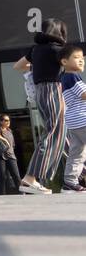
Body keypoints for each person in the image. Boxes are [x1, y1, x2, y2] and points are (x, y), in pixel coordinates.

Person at [17, 18, 69, 194]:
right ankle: (30, 178)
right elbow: (73, 65)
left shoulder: (35, 49)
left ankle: (34, 178)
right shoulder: (57, 49)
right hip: (53, 89)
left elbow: (19, 66)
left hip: (41, 92)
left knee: (57, 134)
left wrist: (37, 65)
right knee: (53, 133)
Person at [58, 43, 86, 192]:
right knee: (78, 152)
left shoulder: (65, 77)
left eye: (82, 58)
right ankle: (70, 181)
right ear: (64, 62)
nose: (81, 60)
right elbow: (84, 95)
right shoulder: (72, 76)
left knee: (76, 153)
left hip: (74, 122)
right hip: (83, 119)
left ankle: (69, 182)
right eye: (76, 57)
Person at [0, 114, 20, 194]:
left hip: (10, 155)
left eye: (8, 120)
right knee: (2, 176)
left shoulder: (9, 130)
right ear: (0, 121)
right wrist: (4, 140)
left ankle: (22, 193)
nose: (8, 122)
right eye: (5, 120)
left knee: (16, 176)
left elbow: (12, 144)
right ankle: (1, 195)